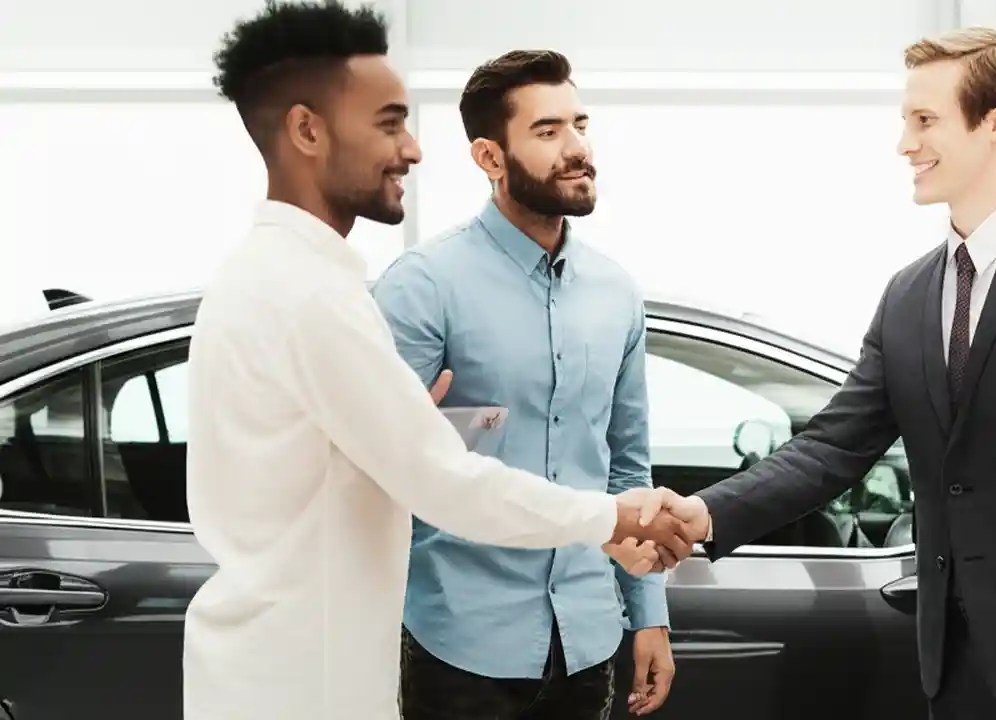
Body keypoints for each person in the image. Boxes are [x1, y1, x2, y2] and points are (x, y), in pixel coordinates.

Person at [185, 5, 689, 720]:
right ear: (308, 130)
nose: (413, 150)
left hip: (571, 635)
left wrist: (645, 607)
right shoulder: (335, 295)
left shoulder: (287, 279)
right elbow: (439, 482)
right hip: (383, 659)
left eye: (580, 124)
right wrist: (613, 516)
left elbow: (611, 454)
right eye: (389, 123)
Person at [665, 26, 996, 720]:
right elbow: (831, 447)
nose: (905, 143)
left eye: (924, 119)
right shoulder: (909, 294)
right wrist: (704, 512)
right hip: (950, 669)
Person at [373, 49, 675, 719]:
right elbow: (381, 472)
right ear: (489, 157)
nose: (578, 148)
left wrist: (647, 615)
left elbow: (626, 464)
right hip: (459, 643)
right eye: (547, 131)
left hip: (587, 640)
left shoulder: (616, 293)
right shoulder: (422, 289)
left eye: (580, 124)